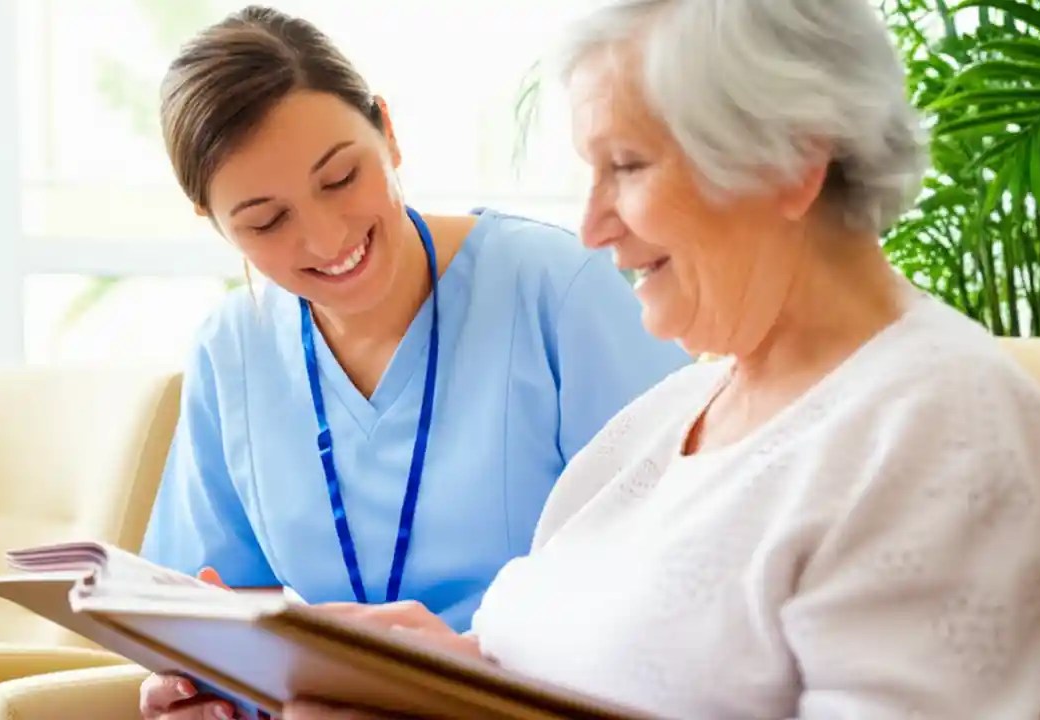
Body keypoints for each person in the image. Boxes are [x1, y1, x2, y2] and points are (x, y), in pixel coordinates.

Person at [194, 0, 1040, 718]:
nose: (591, 227)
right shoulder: (674, 415)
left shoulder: (937, 424)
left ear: (790, 161)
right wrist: (432, 670)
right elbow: (562, 673)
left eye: (627, 166)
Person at [135, 5, 690, 719]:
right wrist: (195, 687)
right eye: (267, 221)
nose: (326, 235)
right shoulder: (231, 352)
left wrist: (476, 659)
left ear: (388, 133)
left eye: (340, 178)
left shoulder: (555, 288)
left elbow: (679, 571)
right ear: (215, 223)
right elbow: (210, 600)